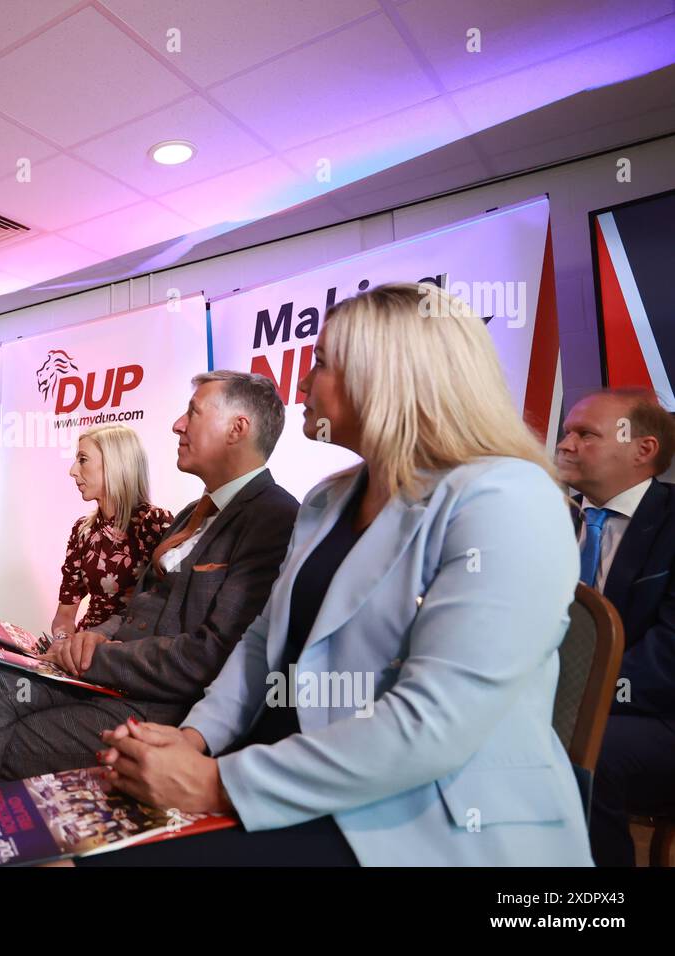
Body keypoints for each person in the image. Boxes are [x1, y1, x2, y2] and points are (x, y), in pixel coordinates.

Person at [83, 283, 591, 867]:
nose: (300, 383)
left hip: (426, 819)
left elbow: (431, 726)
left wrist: (216, 783)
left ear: (385, 376)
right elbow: (260, 645)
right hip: (294, 775)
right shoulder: (329, 500)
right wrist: (194, 740)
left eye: (320, 363)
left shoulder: (506, 497)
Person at [0, 370, 298, 865]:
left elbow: (212, 655)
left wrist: (98, 658)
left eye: (194, 412)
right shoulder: (191, 514)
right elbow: (136, 609)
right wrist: (92, 637)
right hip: (114, 680)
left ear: (238, 429)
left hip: (163, 707)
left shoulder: (273, 517)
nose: (178, 424)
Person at [0, 424, 173, 763]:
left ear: (115, 464)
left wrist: (83, 649)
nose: (72, 471)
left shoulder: (155, 525)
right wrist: (62, 643)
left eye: (82, 460)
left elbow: (159, 616)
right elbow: (64, 615)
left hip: (116, 658)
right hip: (74, 652)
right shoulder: (82, 531)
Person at [555, 387, 675, 865]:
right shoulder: (548, 518)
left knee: (582, 752)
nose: (565, 445)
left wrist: (572, 699)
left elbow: (667, 659)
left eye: (586, 434)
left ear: (642, 449)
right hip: (571, 701)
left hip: (659, 716)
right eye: (566, 433)